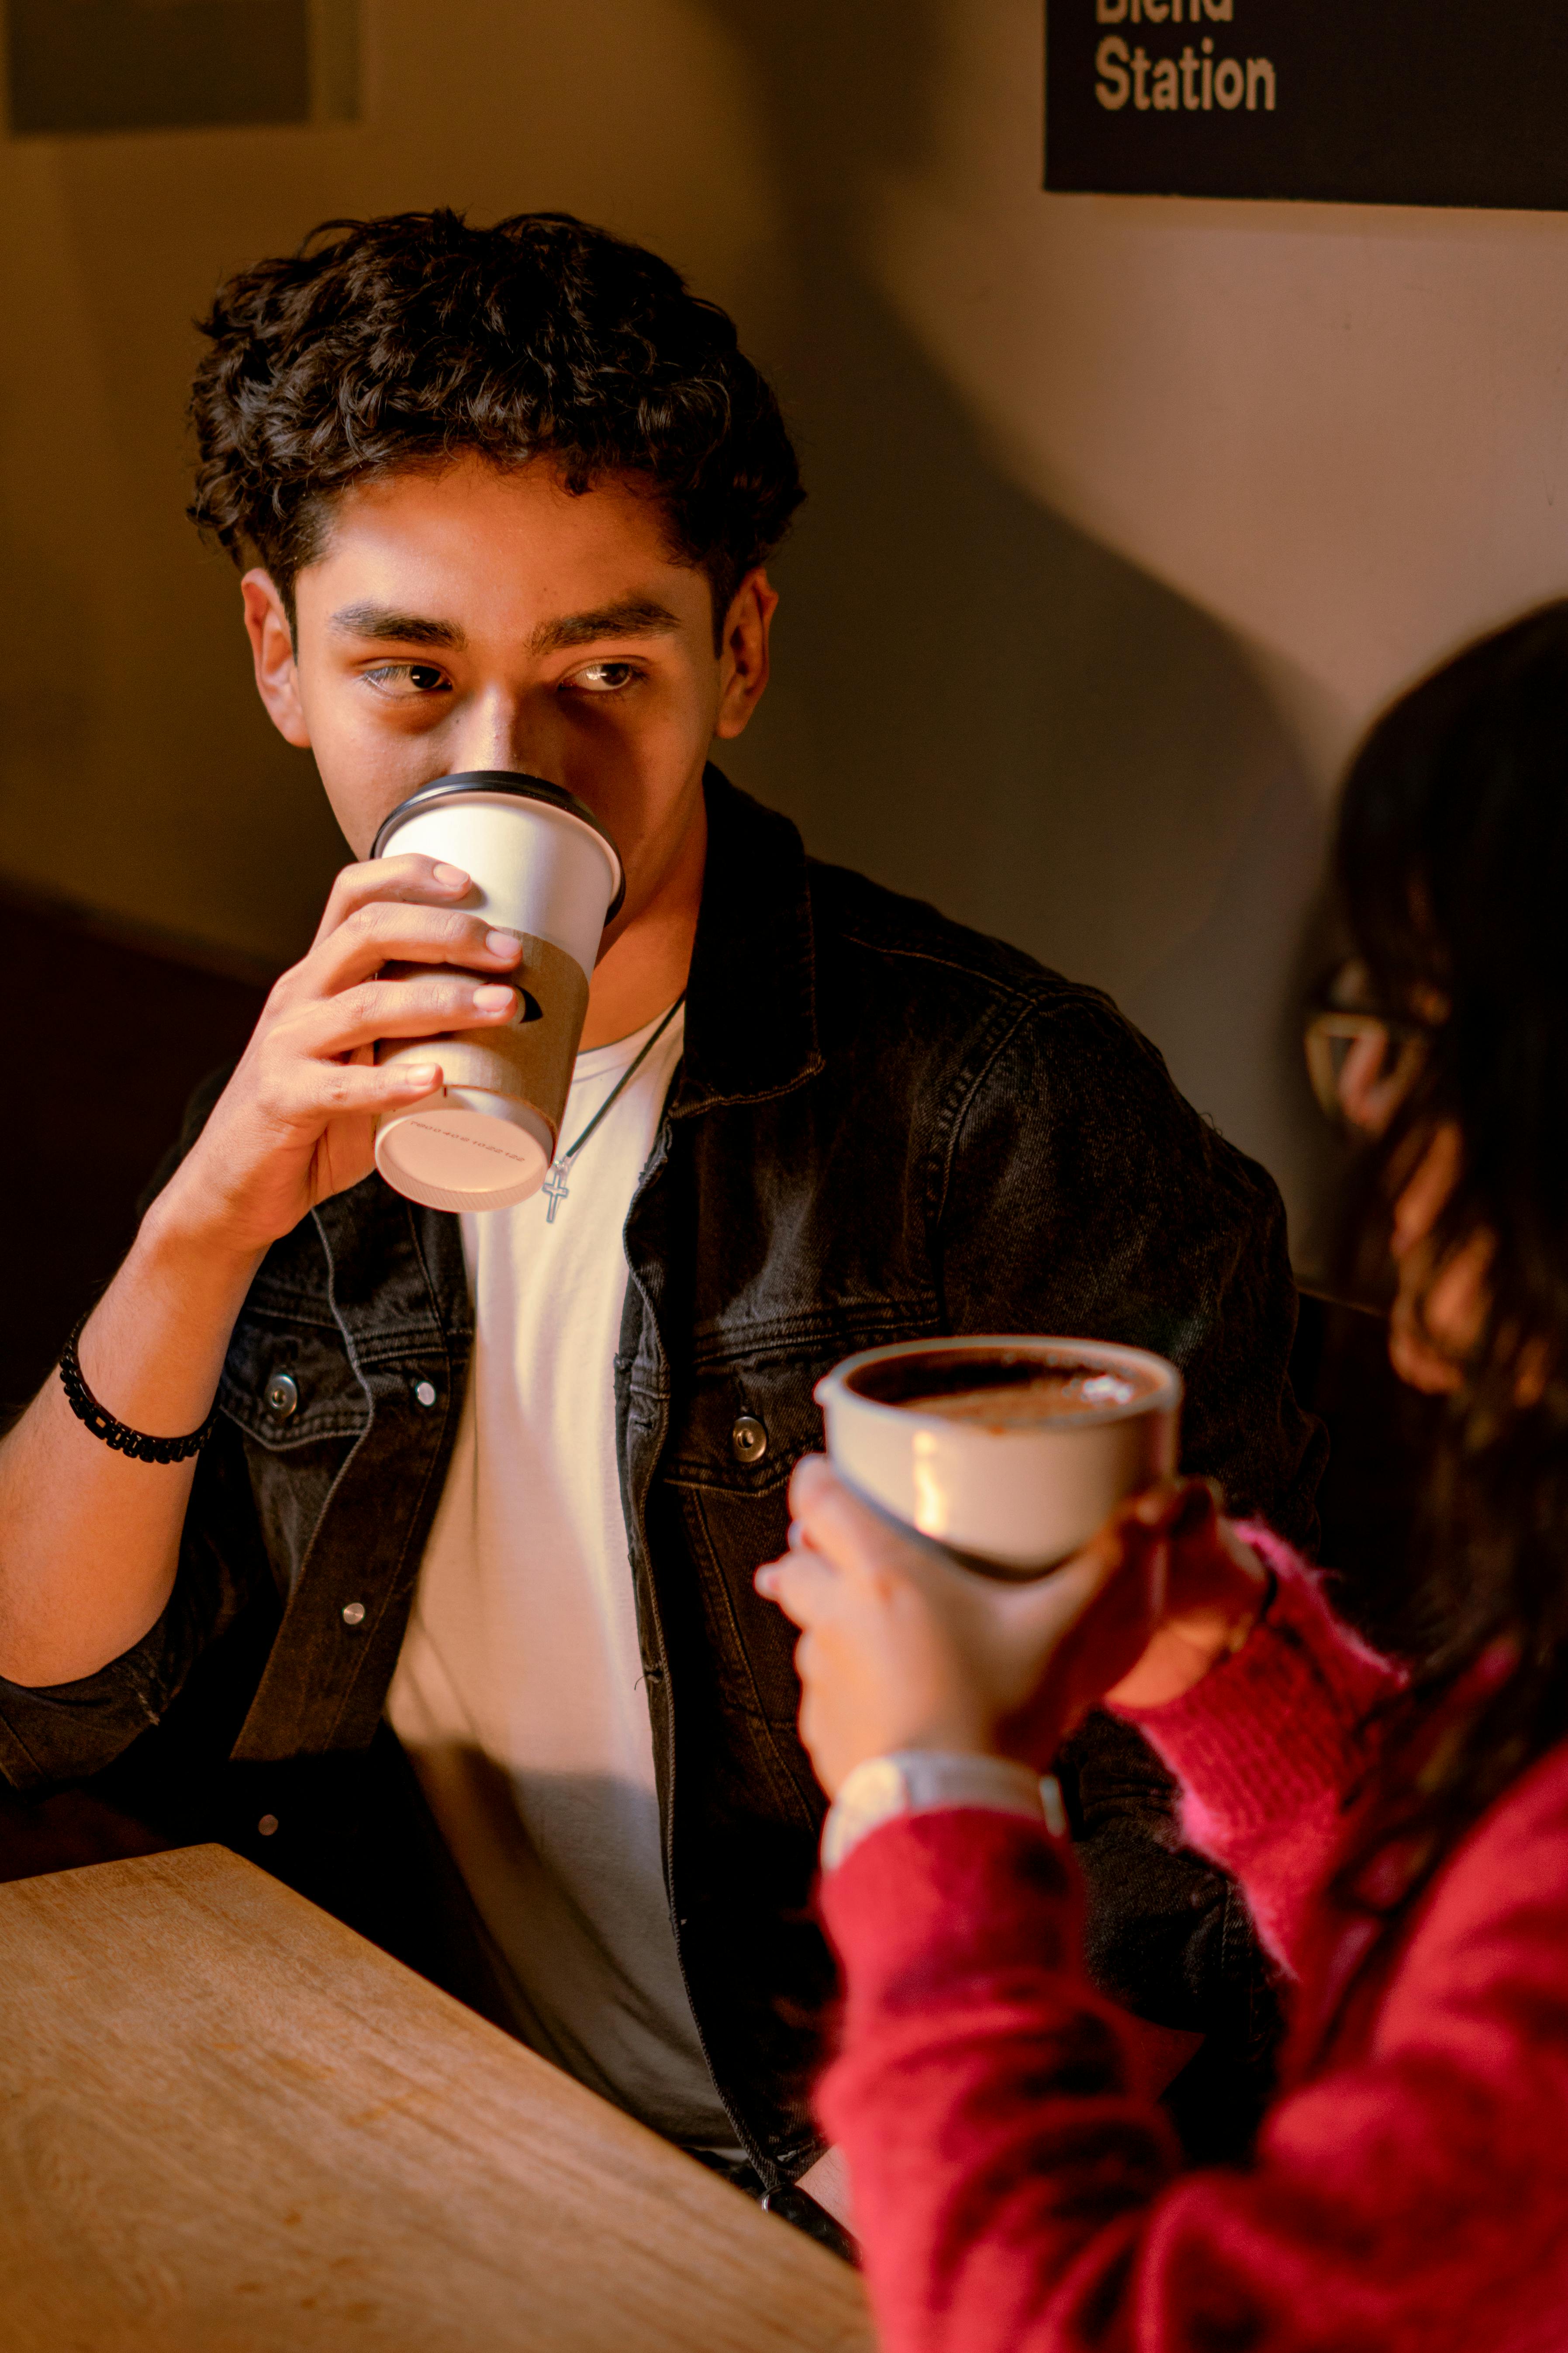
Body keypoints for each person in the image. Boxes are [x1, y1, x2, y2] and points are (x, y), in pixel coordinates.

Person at [0, 210, 1320, 2220]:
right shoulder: (296, 1087)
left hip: (852, 2194)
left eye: (601, 668)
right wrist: (204, 1221)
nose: (503, 762)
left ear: (740, 656)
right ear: (280, 660)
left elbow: (1203, 1838)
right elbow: (42, 1692)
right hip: (418, 2107)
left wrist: (844, 2252)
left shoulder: (997, 1116)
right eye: (406, 669)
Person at [760, 599, 1568, 2336]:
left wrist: (928, 1798)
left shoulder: (1007, 1094)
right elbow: (1467, 1978)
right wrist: (1232, 1674)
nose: (1368, 1122)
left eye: (1412, 1044)